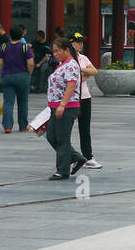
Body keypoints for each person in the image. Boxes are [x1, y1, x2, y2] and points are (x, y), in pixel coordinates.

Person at [42, 38, 87, 179]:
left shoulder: (72, 65)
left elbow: (71, 85)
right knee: (51, 135)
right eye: (53, 51)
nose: (55, 54)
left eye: (57, 51)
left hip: (66, 107)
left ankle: (62, 170)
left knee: (62, 138)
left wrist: (62, 105)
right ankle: (75, 157)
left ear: (67, 50)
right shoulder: (63, 64)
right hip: (55, 106)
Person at [69, 33, 102, 168]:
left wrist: (81, 70)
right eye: (78, 42)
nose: (81, 45)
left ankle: (88, 156)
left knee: (85, 128)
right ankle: (70, 157)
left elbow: (94, 71)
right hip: (70, 98)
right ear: (71, 43)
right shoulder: (66, 59)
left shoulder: (83, 58)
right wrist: (84, 73)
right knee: (66, 129)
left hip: (84, 96)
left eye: (82, 42)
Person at [0, 24, 34, 134]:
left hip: (7, 77)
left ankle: (7, 127)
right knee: (23, 102)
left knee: (8, 102)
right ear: (21, 36)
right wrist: (28, 75)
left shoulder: (4, 47)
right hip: (22, 76)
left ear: (10, 35)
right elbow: (30, 64)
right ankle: (23, 126)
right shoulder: (25, 47)